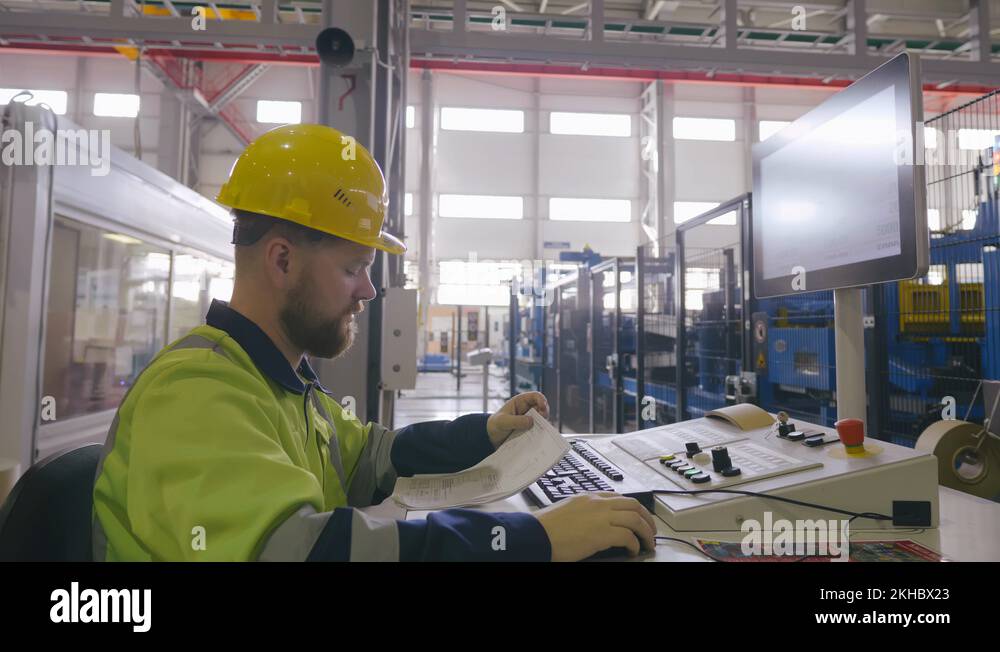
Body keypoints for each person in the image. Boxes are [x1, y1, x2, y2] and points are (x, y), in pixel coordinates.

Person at [92, 124, 656, 561]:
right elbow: (304, 551)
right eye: (354, 267)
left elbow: (370, 456)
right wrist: (529, 540)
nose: (368, 290)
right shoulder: (196, 392)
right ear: (282, 259)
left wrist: (484, 433)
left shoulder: (280, 383)